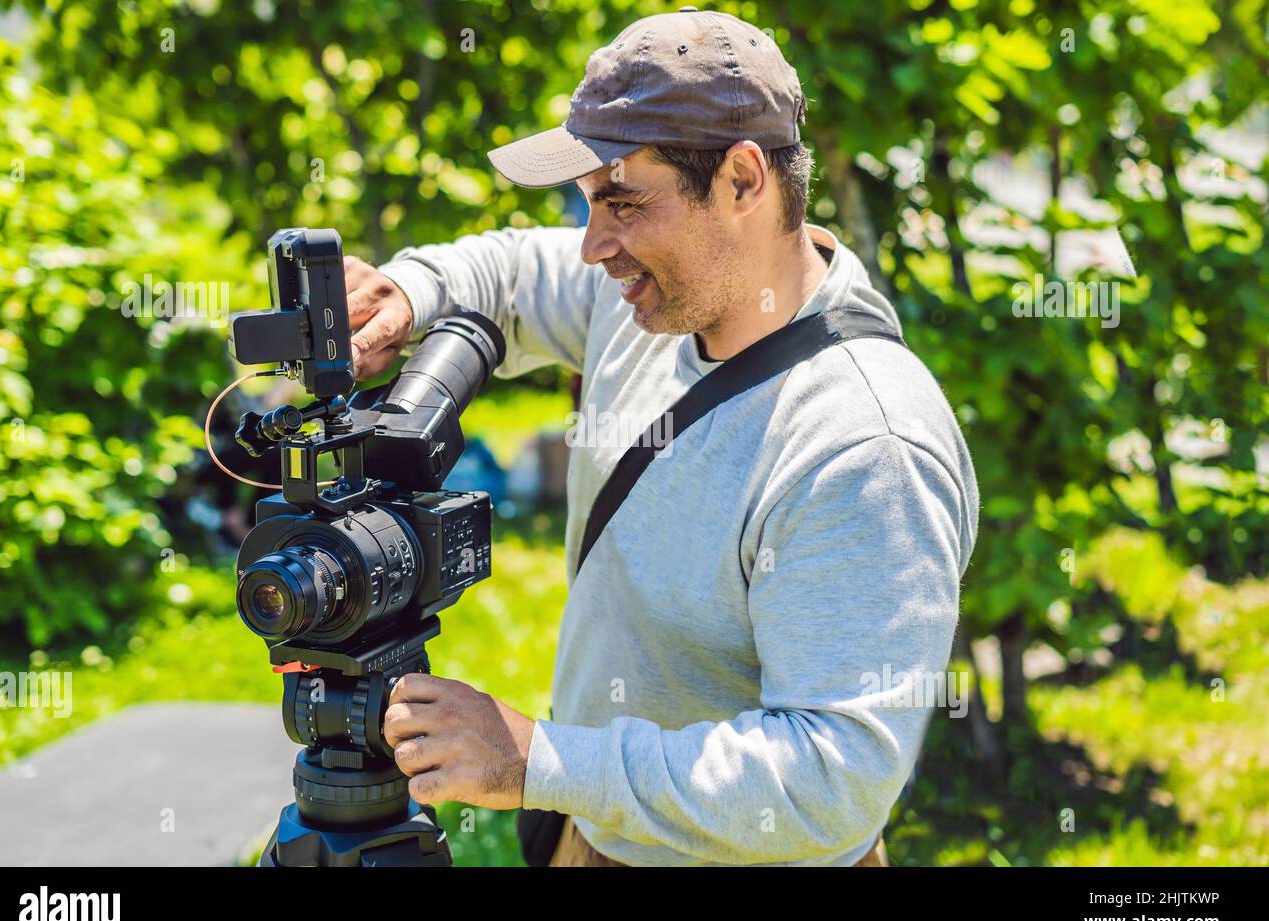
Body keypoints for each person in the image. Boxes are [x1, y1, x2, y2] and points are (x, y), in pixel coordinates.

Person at [364, 7, 979, 866]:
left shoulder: (864, 445)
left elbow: (832, 780)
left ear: (740, 179)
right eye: (587, 204)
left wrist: (541, 761)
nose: (592, 248)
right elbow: (510, 272)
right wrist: (410, 289)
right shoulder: (656, 299)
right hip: (596, 829)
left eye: (621, 202)